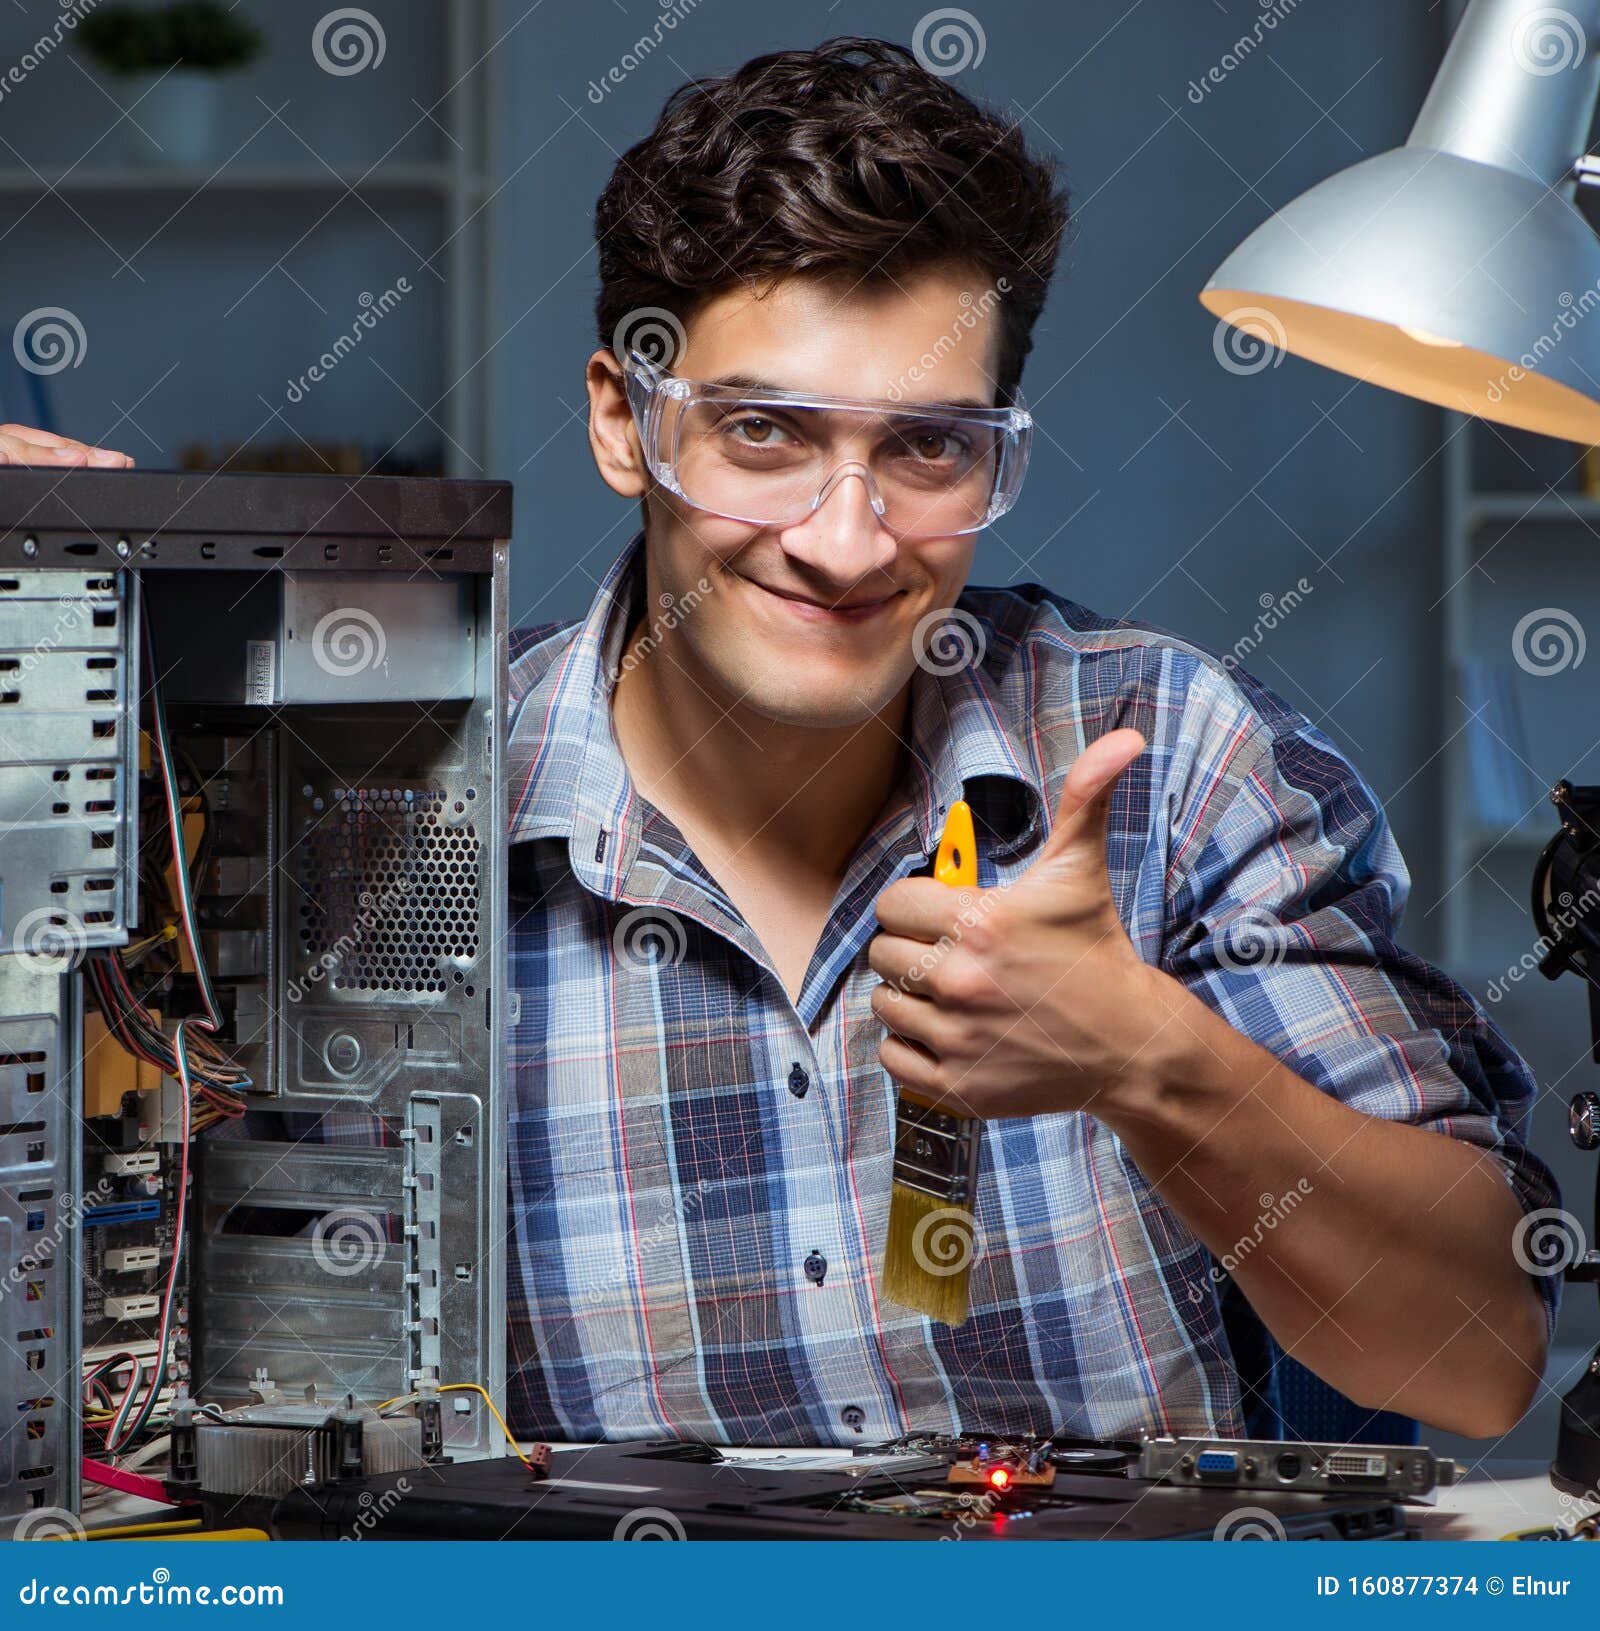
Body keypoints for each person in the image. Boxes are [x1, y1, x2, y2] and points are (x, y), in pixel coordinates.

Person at [6, 37, 1556, 1450]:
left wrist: (1151, 1063)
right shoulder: (382, 827)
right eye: (764, 435)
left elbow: (1472, 1361)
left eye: (927, 449)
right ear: (628, 422)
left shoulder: (1165, 756)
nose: (845, 539)